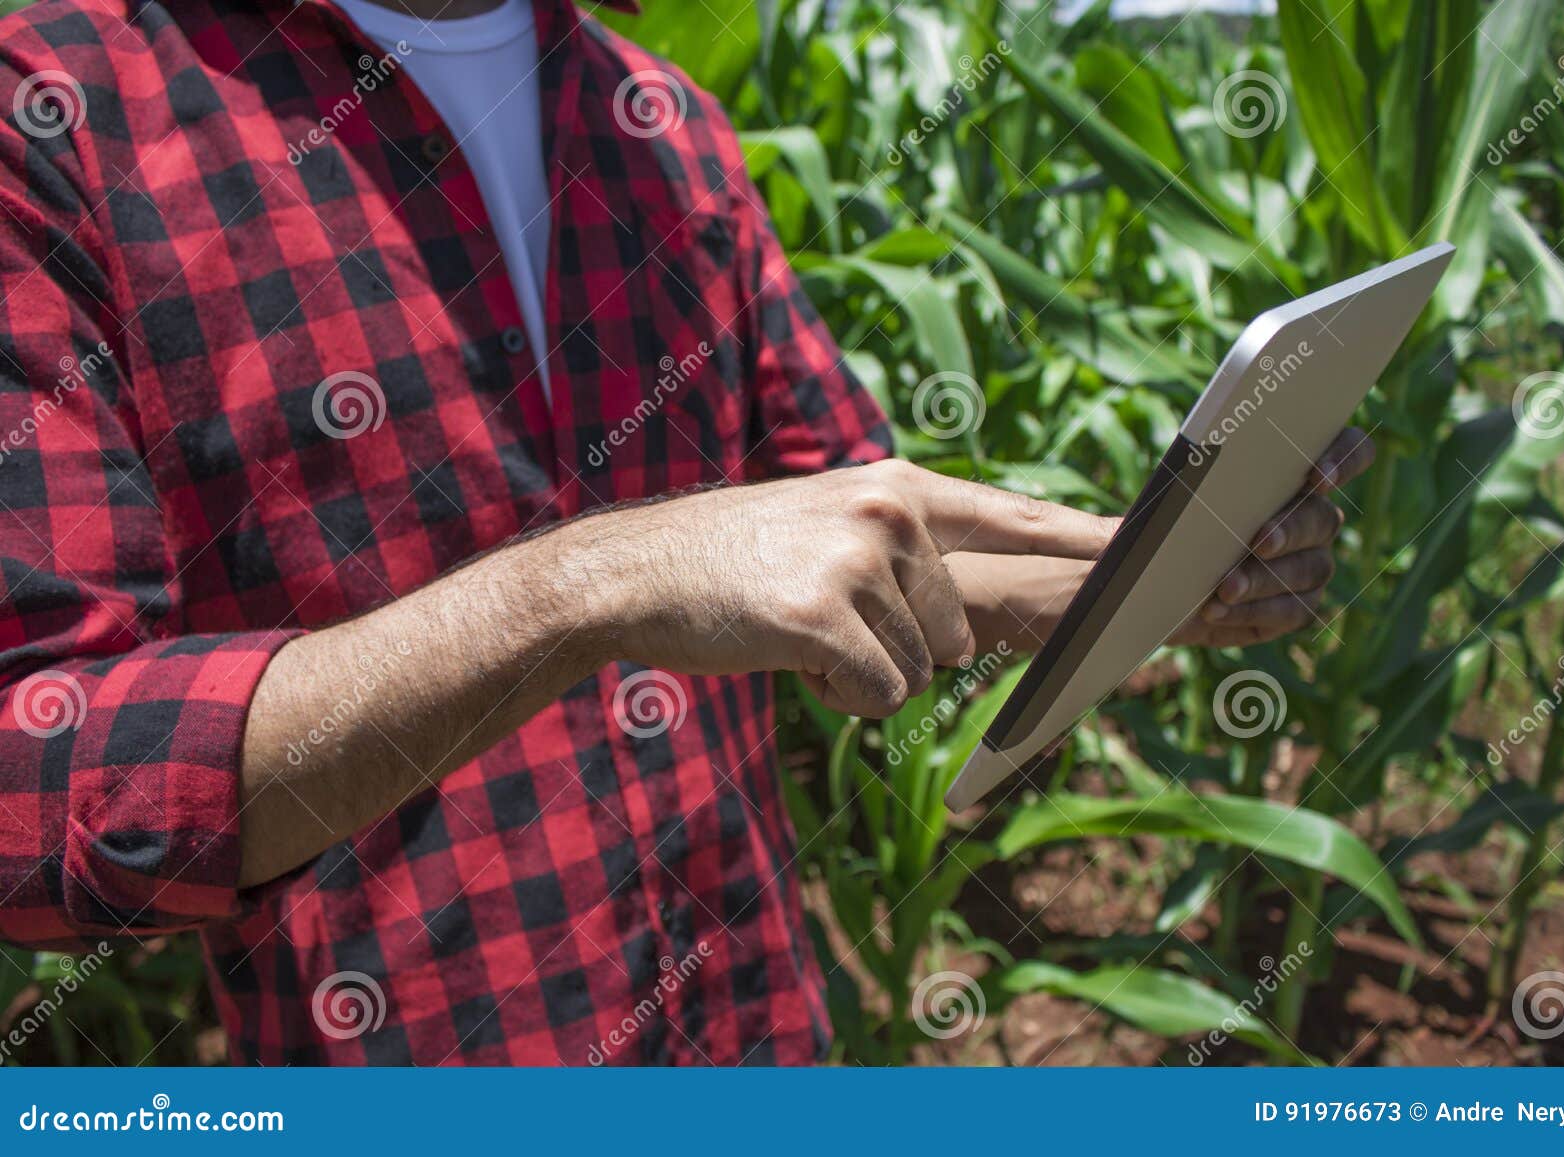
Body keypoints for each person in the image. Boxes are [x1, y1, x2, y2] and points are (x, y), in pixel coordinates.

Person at [0, 0, 1369, 1064]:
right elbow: (35, 778)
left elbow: (861, 534)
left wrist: (1162, 565)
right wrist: (596, 581)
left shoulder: (661, 124)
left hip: (758, 1030)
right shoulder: (60, 113)